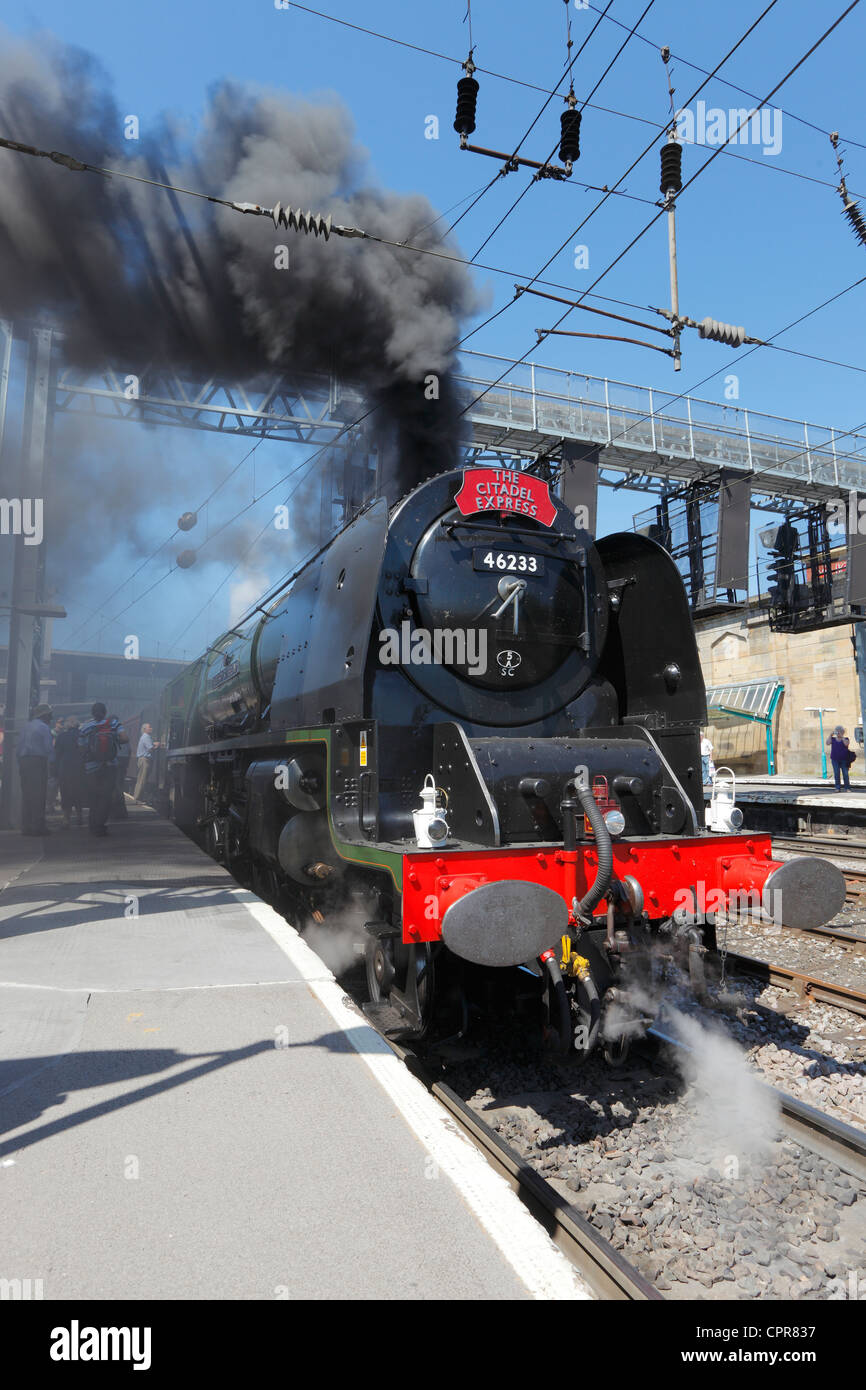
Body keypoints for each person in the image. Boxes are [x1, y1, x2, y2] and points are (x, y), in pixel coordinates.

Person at [78, 701, 128, 836]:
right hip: (110, 766)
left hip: (91, 768)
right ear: (105, 712)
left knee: (93, 797)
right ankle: (100, 825)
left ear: (92, 713)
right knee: (106, 797)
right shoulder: (114, 724)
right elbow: (125, 738)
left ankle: (92, 825)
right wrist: (114, 740)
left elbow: (81, 748)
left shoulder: (85, 727)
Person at [17, 703, 54, 836]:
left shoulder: (26, 726)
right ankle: (38, 827)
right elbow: (49, 749)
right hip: (38, 762)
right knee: (39, 795)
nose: (51, 717)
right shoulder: (44, 727)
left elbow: (19, 747)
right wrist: (52, 766)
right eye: (50, 714)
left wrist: (20, 764)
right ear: (45, 715)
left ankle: (26, 827)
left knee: (27, 795)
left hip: (24, 762)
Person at [54, 717, 85, 826]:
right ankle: (79, 816)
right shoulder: (82, 735)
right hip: (79, 769)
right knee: (78, 792)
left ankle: (66, 818)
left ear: (67, 726)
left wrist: (55, 769)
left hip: (65, 768)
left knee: (65, 792)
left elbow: (57, 754)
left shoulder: (61, 736)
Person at [134, 723, 160, 802]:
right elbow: (150, 749)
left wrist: (153, 744)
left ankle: (138, 797)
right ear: (145, 729)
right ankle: (138, 798)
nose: (151, 728)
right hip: (145, 760)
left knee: (141, 779)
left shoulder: (145, 737)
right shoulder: (146, 737)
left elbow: (150, 746)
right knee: (142, 779)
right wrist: (157, 746)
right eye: (149, 727)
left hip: (143, 759)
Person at [828, 725, 852, 791]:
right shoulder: (833, 739)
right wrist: (830, 735)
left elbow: (846, 744)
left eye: (840, 731)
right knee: (836, 774)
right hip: (835, 760)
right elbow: (827, 743)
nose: (838, 733)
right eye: (837, 731)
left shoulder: (846, 739)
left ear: (842, 732)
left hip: (844, 760)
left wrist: (842, 737)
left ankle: (847, 788)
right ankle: (837, 788)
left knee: (845, 774)